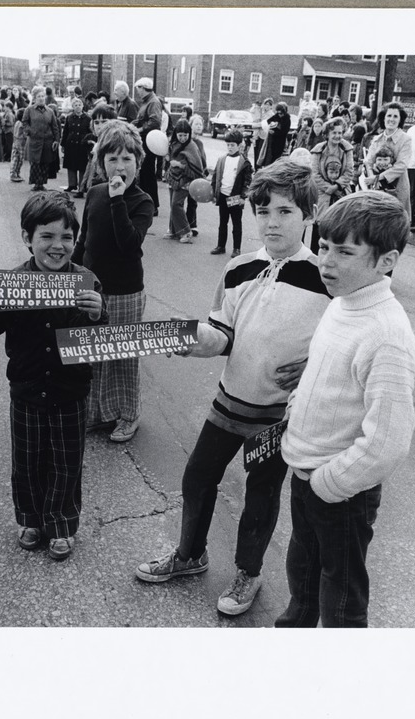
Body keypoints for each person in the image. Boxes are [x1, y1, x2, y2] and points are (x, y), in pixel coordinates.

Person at [134, 160, 331, 617]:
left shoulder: (326, 278)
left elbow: (341, 340)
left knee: (261, 495)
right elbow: (223, 334)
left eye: (285, 212)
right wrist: (191, 340)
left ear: (309, 214)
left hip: (277, 417)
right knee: (197, 478)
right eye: (263, 212)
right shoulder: (240, 269)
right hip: (229, 403)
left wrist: (314, 366)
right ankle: (189, 554)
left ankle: (249, 571)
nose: (272, 222)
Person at [274, 191, 415, 628]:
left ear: (386, 261)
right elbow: (319, 373)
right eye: (323, 247)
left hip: (340, 490)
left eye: (344, 251)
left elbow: (388, 440)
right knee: (302, 569)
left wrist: (330, 483)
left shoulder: (386, 333)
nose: (326, 262)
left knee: (342, 594)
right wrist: (294, 413)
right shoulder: (342, 303)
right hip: (305, 472)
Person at [0, 192, 105, 561]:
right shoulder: (11, 284)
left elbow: (98, 339)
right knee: (28, 460)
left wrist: (97, 314)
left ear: (75, 240)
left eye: (66, 237)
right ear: (26, 238)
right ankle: (31, 519)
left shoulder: (87, 282)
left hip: (70, 392)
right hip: (27, 390)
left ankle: (62, 524)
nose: (57, 246)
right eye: (46, 236)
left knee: (67, 462)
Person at [71, 121, 155, 443]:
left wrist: (118, 199)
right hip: (92, 288)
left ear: (138, 162)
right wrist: (72, 275)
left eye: (126, 159)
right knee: (92, 354)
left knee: (121, 357)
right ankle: (97, 413)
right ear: (101, 162)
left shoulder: (142, 201)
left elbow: (130, 244)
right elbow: (83, 241)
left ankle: (127, 415)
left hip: (125, 292)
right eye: (112, 159)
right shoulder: (93, 193)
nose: (119, 167)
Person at [309, 117, 355, 254]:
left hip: (340, 191)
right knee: (319, 227)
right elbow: (315, 173)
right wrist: (327, 188)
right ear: (327, 134)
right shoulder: (319, 149)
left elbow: (349, 171)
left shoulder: (346, 148)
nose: (337, 136)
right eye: (334, 133)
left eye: (340, 133)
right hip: (323, 193)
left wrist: (337, 186)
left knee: (339, 228)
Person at [361, 101, 412, 218]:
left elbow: (401, 165)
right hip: (376, 189)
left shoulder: (406, 139)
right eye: (389, 115)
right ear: (383, 118)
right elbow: (368, 161)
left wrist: (379, 177)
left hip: (397, 188)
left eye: (395, 116)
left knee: (395, 223)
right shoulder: (376, 139)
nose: (391, 119)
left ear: (400, 120)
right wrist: (372, 178)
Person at [209, 128, 253, 257]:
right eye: (228, 145)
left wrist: (243, 197)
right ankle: (221, 246)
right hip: (223, 195)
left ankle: (236, 248)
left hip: (235, 197)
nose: (229, 147)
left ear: (239, 145)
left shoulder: (244, 162)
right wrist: (214, 193)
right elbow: (215, 177)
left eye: (232, 145)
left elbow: (247, 181)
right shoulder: (222, 159)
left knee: (236, 223)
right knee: (223, 222)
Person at [161, 119, 205, 244]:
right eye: (180, 135)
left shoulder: (192, 146)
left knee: (176, 204)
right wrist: (167, 159)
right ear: (176, 134)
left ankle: (186, 231)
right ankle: (173, 231)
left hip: (186, 180)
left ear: (189, 134)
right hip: (172, 178)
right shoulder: (173, 144)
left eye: (185, 135)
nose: (183, 138)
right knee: (172, 205)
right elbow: (168, 158)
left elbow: (197, 167)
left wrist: (180, 165)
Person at [130, 78, 164, 213]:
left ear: (143, 88)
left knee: (148, 173)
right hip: (145, 141)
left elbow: (155, 121)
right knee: (144, 173)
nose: (137, 92)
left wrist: (140, 129)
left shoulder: (153, 102)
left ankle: (153, 205)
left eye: (138, 89)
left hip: (149, 142)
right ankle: (147, 203)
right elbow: (144, 118)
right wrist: (135, 122)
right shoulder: (147, 102)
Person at [22, 85, 61, 192]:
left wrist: (56, 140)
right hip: (34, 141)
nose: (41, 98)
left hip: (47, 142)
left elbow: (55, 127)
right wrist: (29, 131)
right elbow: (24, 122)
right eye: (39, 96)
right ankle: (36, 184)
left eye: (43, 96)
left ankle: (41, 184)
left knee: (45, 163)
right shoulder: (29, 110)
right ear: (34, 98)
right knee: (35, 163)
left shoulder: (50, 111)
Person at [78, 104, 117, 196]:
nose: (100, 126)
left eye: (104, 121)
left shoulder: (115, 143)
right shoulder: (98, 142)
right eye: (96, 122)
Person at [61, 96, 92, 193]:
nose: (78, 107)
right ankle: (72, 184)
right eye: (75, 105)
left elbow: (91, 132)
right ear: (73, 107)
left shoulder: (88, 118)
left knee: (82, 166)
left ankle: (81, 187)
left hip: (83, 146)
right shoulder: (69, 117)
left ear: (82, 106)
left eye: (79, 105)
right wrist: (63, 145)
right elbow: (65, 131)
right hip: (71, 145)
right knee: (71, 165)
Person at [185, 115, 208, 237]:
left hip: (197, 175)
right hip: (186, 174)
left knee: (193, 201)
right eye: (196, 124)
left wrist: (204, 171)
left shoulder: (200, 142)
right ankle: (179, 225)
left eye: (200, 124)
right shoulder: (188, 141)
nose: (199, 126)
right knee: (178, 201)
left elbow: (203, 159)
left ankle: (192, 225)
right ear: (191, 125)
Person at [258, 102, 292, 167]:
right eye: (278, 113)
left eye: (281, 113)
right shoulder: (276, 116)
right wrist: (271, 124)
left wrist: (275, 132)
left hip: (280, 141)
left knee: (277, 156)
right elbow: (268, 121)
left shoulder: (287, 119)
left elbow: (285, 132)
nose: (279, 115)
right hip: (272, 140)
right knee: (270, 155)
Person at [9, 107, 27, 183]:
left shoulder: (17, 123)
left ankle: (15, 173)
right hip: (20, 143)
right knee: (20, 159)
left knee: (15, 157)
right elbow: (23, 135)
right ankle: (15, 173)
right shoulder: (22, 125)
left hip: (15, 141)